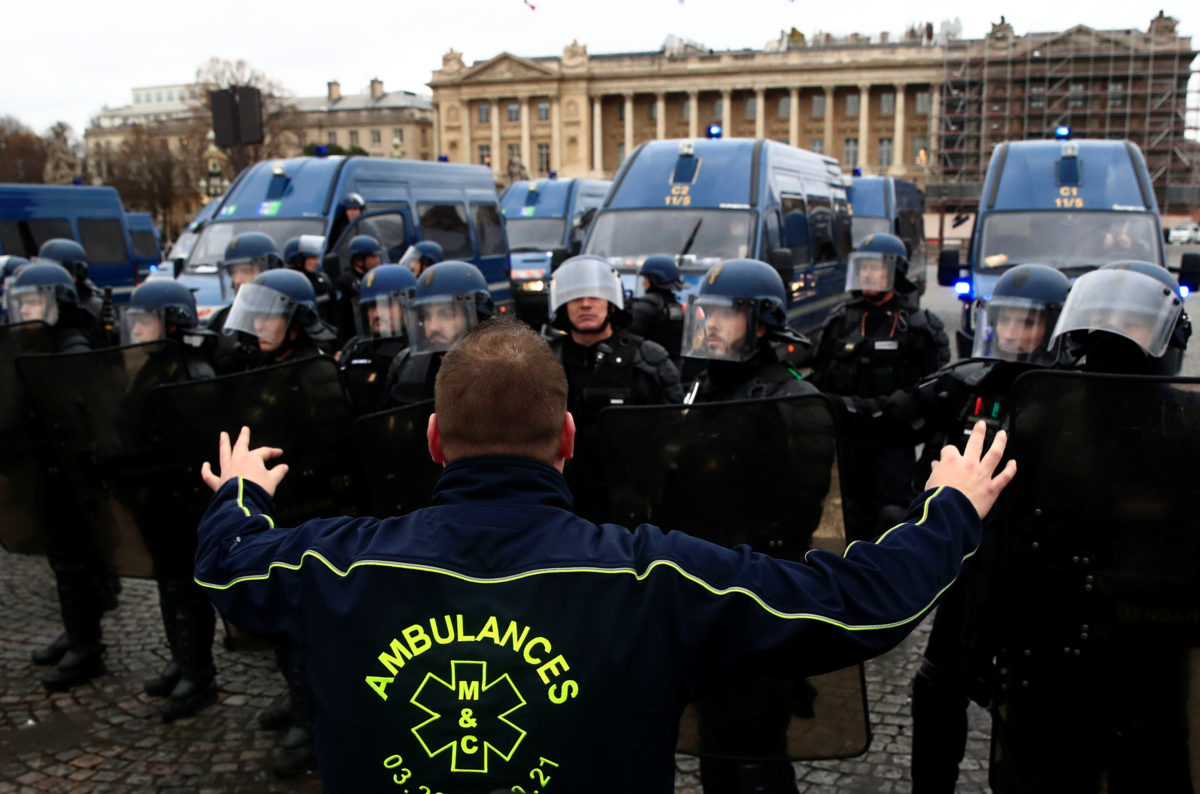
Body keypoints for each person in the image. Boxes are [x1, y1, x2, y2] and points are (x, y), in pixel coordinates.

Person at [193, 317, 1016, 794]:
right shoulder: (653, 574)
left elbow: (227, 562)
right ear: (569, 438)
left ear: (435, 440)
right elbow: (864, 603)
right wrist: (950, 510)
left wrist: (240, 489)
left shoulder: (334, 564)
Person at [903, 264, 1070, 794]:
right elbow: (897, 413)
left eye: (1028, 325)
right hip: (968, 568)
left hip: (1032, 575)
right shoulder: (968, 381)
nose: (1015, 336)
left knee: (1030, 706)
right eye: (1005, 322)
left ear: (1054, 328)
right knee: (935, 688)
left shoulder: (1071, 396)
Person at [7, 262, 119, 690]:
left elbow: (79, 418)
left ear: (58, 303)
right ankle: (76, 634)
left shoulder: (71, 348)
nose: (27, 309)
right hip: (48, 473)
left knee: (75, 561)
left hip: (71, 476)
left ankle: (86, 648)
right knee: (65, 563)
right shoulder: (43, 342)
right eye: (24, 301)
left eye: (35, 301)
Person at [119, 279, 221, 721]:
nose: (138, 329)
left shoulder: (192, 371)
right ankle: (182, 661)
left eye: (147, 320)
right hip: (157, 498)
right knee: (168, 582)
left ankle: (198, 676)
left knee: (185, 588)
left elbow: (197, 441)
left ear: (172, 323)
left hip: (184, 502)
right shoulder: (152, 366)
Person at [810, 233, 949, 541]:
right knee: (849, 515)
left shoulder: (919, 325)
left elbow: (937, 392)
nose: (868, 274)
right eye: (864, 267)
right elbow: (819, 378)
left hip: (892, 445)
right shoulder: (840, 319)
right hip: (847, 443)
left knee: (891, 518)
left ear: (896, 271)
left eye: (876, 267)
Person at [545, 255, 682, 520]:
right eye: (575, 298)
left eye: (595, 296)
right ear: (562, 306)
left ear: (611, 303)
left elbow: (674, 437)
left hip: (634, 508)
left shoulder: (650, 361)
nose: (585, 304)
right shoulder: (541, 361)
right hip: (562, 505)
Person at [681, 258, 814, 403]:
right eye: (708, 313)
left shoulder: (793, 398)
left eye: (726, 314)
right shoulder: (701, 385)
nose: (711, 324)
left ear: (759, 326)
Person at [387, 260, 493, 406]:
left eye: (445, 314)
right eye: (426, 316)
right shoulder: (408, 366)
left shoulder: (504, 369)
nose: (432, 327)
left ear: (477, 317)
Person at [338, 264, 417, 415]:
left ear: (407, 306)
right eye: (371, 307)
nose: (376, 314)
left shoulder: (418, 351)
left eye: (386, 306)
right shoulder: (355, 348)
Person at [222, 269, 335, 367]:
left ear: (295, 323)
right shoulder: (264, 364)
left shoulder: (316, 370)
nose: (258, 326)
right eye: (256, 316)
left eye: (269, 317)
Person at [208, 232, 283, 374]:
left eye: (246, 271)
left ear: (269, 270)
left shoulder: (284, 316)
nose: (237, 280)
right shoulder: (222, 319)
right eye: (233, 272)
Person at [626, 254, 686, 360]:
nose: (644, 282)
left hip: (648, 366)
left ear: (653, 279)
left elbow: (627, 337)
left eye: (645, 278)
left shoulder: (648, 305)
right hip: (670, 365)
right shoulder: (674, 305)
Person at [332, 234, 385, 348]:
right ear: (359, 259)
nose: (378, 260)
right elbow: (341, 322)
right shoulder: (344, 283)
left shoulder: (374, 279)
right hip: (355, 340)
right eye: (373, 256)